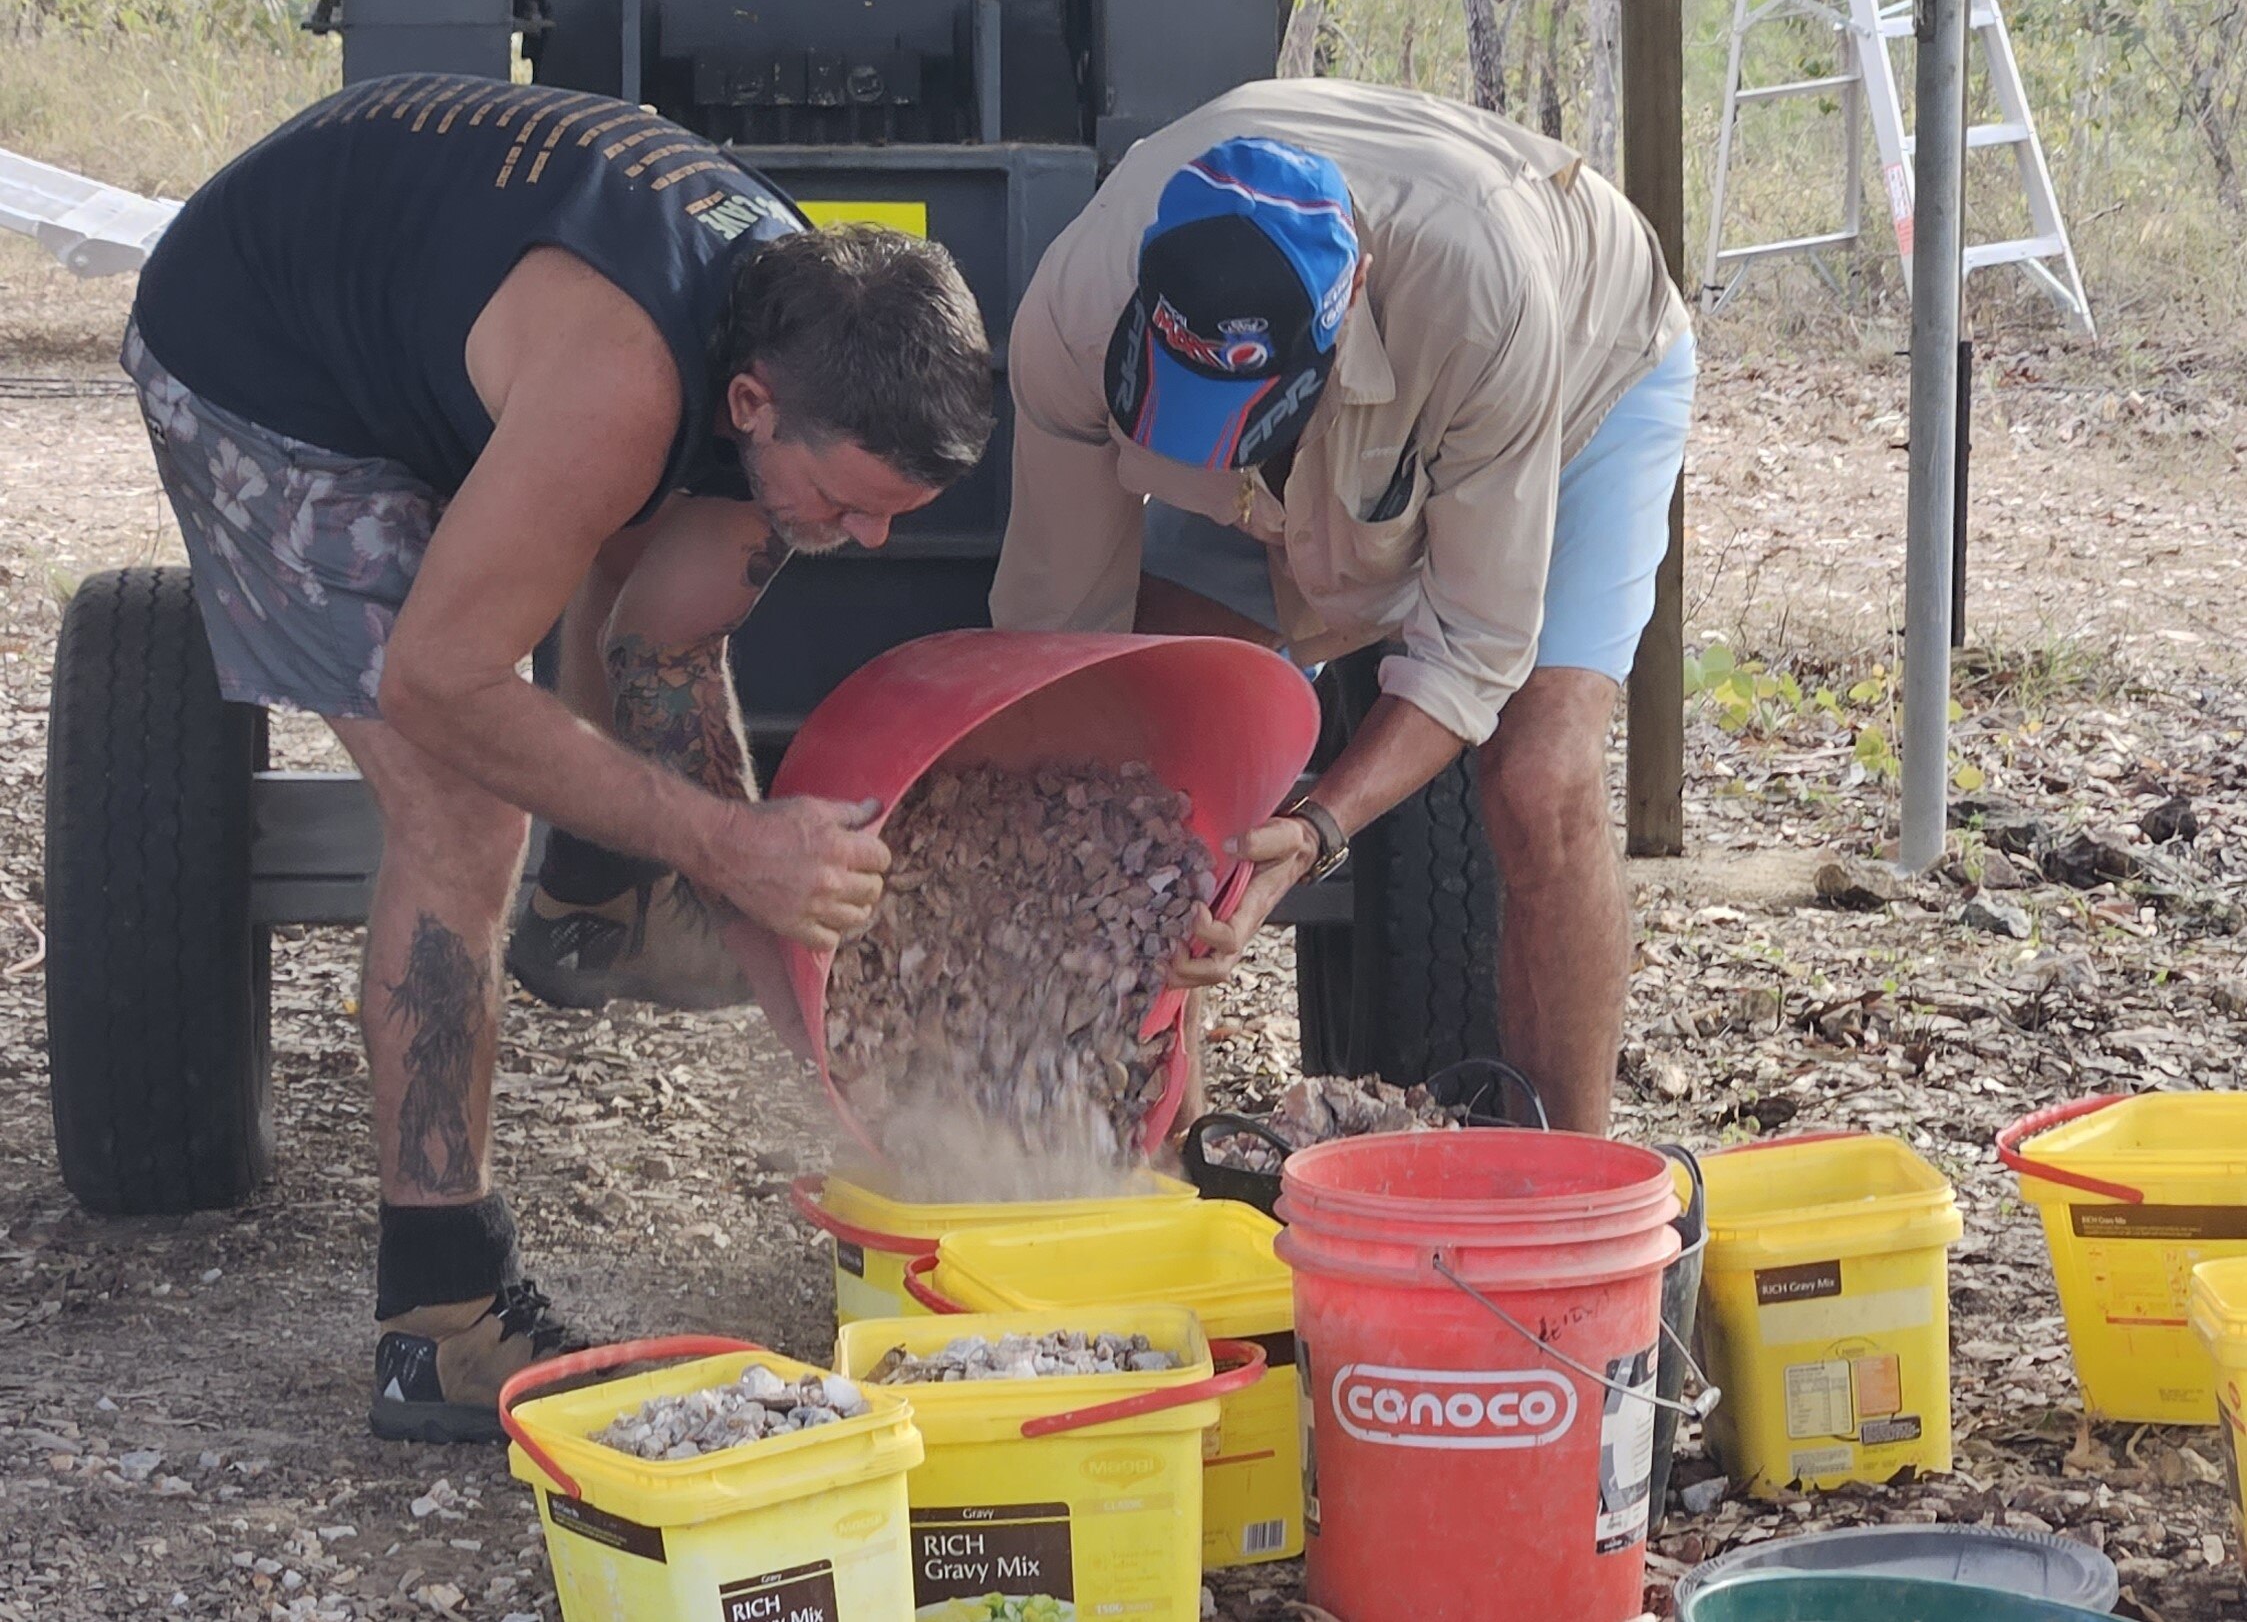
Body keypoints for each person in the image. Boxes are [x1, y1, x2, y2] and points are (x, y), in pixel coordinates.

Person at [127, 73, 993, 1441]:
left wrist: (801, 986)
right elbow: (441, 679)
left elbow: (666, 639)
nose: (863, 539)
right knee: (466, 818)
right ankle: (441, 1316)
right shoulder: (622, 382)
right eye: (844, 502)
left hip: (431, 302)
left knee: (635, 598)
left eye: (892, 517)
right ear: (755, 405)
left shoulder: (806, 314)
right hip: (261, 359)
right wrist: (725, 845)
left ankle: (598, 903)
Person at [991, 77, 1693, 1136]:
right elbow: (1066, 636)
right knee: (1161, 768)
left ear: (1350, 295)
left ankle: (1573, 1192)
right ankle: (1141, 1168)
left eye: (1253, 415)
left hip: (1583, 381)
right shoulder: (1074, 309)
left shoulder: (1483, 296)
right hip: (1307, 482)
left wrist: (1316, 828)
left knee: (1538, 776)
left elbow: (1471, 650)